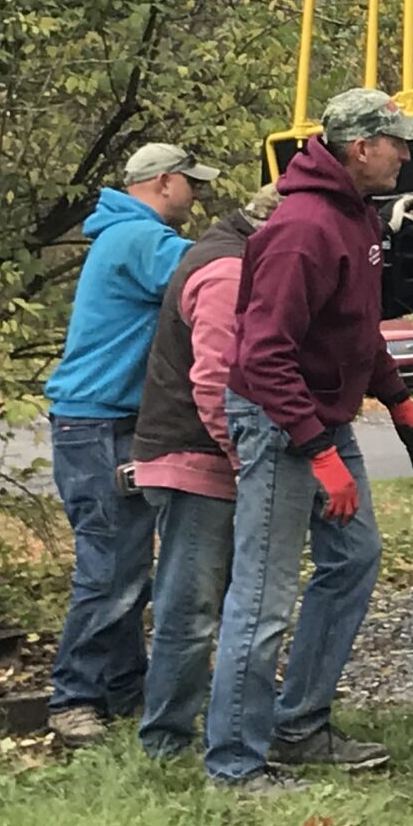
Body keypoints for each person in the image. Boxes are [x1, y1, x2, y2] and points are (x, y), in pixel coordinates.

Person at [205, 89, 413, 792]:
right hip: (280, 424)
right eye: (396, 141)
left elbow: (357, 329)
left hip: (319, 420)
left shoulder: (356, 215)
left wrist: (401, 405)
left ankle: (299, 726)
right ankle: (235, 766)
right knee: (264, 594)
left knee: (354, 557)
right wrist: (317, 453)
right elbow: (262, 357)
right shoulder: (304, 228)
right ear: (359, 148)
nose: (406, 152)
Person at [41, 142, 220, 750]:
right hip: (101, 427)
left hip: (97, 424)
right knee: (110, 569)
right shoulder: (141, 240)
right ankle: (73, 699)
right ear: (164, 182)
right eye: (190, 184)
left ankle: (123, 691)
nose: (195, 196)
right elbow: (212, 275)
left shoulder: (120, 232)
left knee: (125, 564)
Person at [128, 180, 280, 760]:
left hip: (197, 456)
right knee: (188, 610)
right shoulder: (227, 274)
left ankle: (185, 726)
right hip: (194, 460)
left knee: (207, 604)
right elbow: (214, 383)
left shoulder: (221, 253)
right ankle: (164, 738)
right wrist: (246, 460)